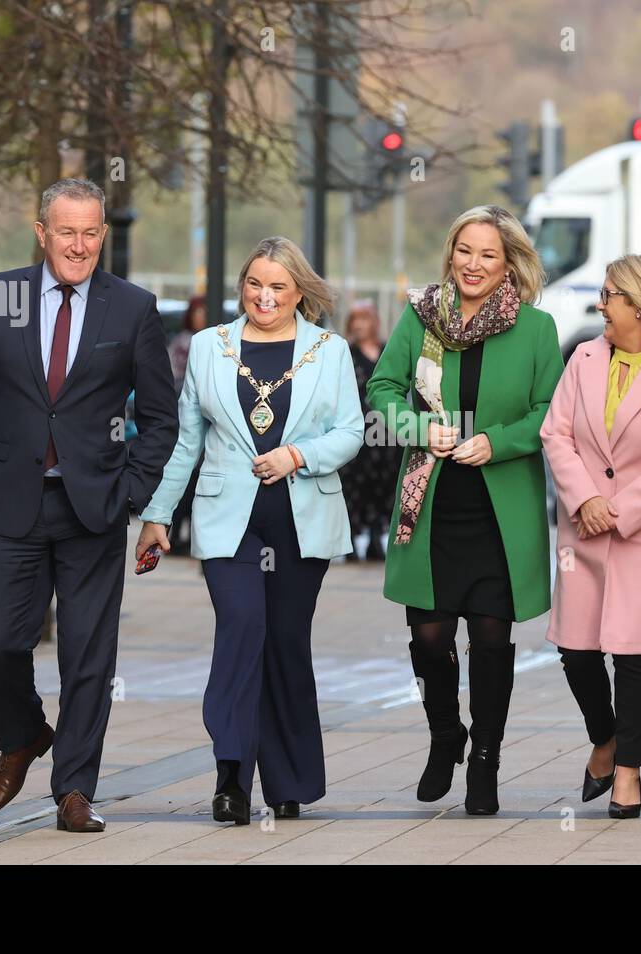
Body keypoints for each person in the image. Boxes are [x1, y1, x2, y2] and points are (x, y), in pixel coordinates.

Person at [0, 177, 178, 833]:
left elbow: (161, 419)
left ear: (104, 234)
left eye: (91, 232)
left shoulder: (132, 308)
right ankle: (21, 736)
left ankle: (74, 789)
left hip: (93, 509)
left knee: (88, 655)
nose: (79, 244)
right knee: (1, 644)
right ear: (41, 233)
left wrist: (132, 492)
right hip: (9, 505)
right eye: (66, 231)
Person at [136, 237, 364, 825]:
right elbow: (187, 438)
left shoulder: (329, 351)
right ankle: (231, 775)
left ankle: (287, 783)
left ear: (299, 293)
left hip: (300, 519)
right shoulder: (210, 348)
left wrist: (298, 455)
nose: (264, 296)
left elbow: (350, 432)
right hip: (226, 519)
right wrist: (158, 516)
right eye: (254, 284)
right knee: (242, 628)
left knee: (285, 642)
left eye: (278, 287)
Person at [366, 204, 563, 816]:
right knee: (428, 639)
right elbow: (382, 391)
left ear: (509, 265)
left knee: (491, 640)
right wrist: (421, 427)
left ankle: (486, 759)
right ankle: (445, 734)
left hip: (499, 512)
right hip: (430, 506)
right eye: (465, 251)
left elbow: (550, 413)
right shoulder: (420, 318)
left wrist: (496, 442)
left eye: (489, 254)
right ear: (450, 253)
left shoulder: (536, 329)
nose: (473, 264)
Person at [540, 255, 641, 819]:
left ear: (639, 303)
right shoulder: (583, 357)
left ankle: (628, 771)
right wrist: (585, 499)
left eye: (609, 294)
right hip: (582, 527)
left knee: (634, 654)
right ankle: (605, 740)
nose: (601, 305)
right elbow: (555, 433)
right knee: (576, 650)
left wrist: (617, 509)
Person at [340, 300, 393, 561]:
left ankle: (376, 537)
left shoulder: (388, 351)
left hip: (386, 431)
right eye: (355, 320)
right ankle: (351, 538)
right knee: (353, 484)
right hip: (356, 430)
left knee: (384, 482)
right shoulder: (345, 353)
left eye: (364, 319)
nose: (359, 325)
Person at [167, 294, 209, 551]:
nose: (202, 316)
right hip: (186, 415)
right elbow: (173, 378)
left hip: (203, 420)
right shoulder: (183, 343)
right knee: (188, 478)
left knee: (195, 480)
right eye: (198, 312)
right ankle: (177, 533)